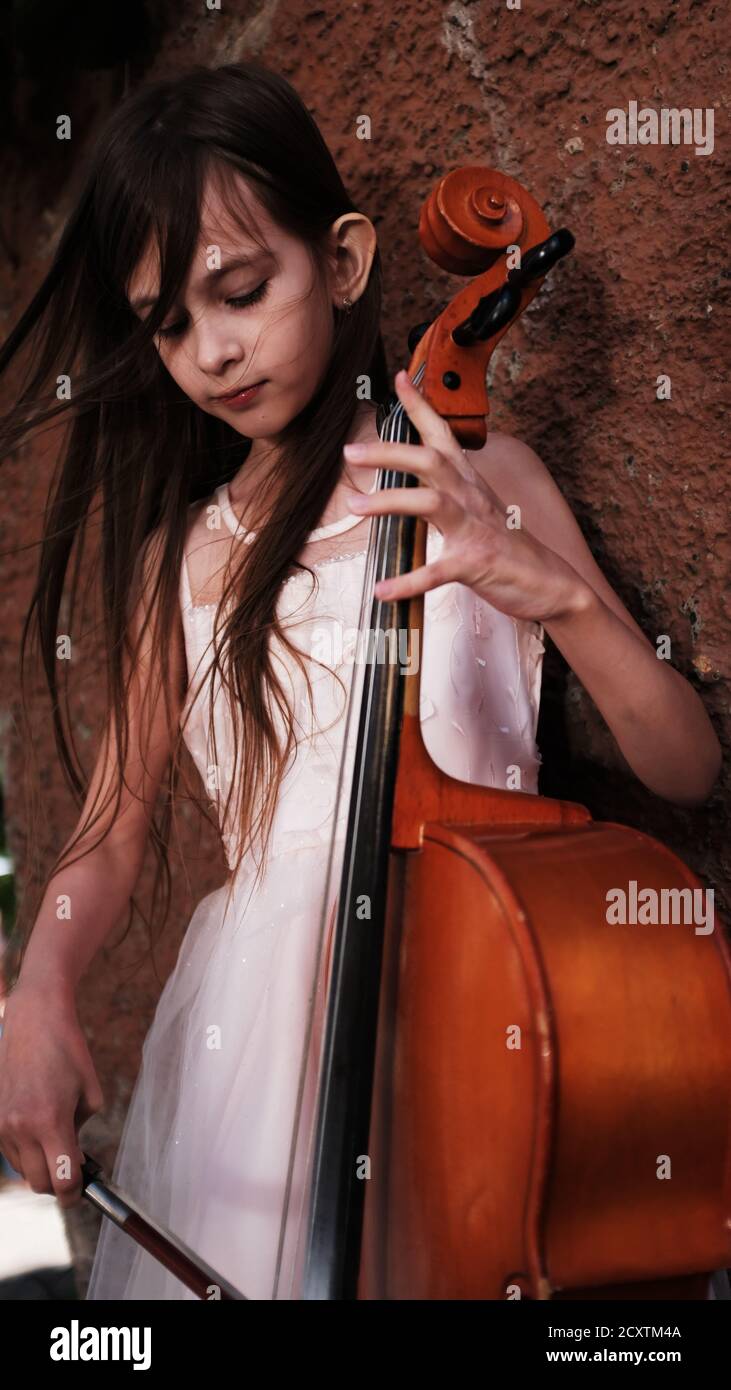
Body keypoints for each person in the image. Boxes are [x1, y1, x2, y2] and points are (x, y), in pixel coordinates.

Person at [0, 60, 722, 1301]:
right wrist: (39, 988)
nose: (211, 351)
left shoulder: (475, 479)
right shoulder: (187, 560)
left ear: (340, 262)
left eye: (239, 291)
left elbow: (685, 763)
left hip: (471, 1021)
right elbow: (110, 832)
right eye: (168, 323)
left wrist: (537, 583)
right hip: (252, 1064)